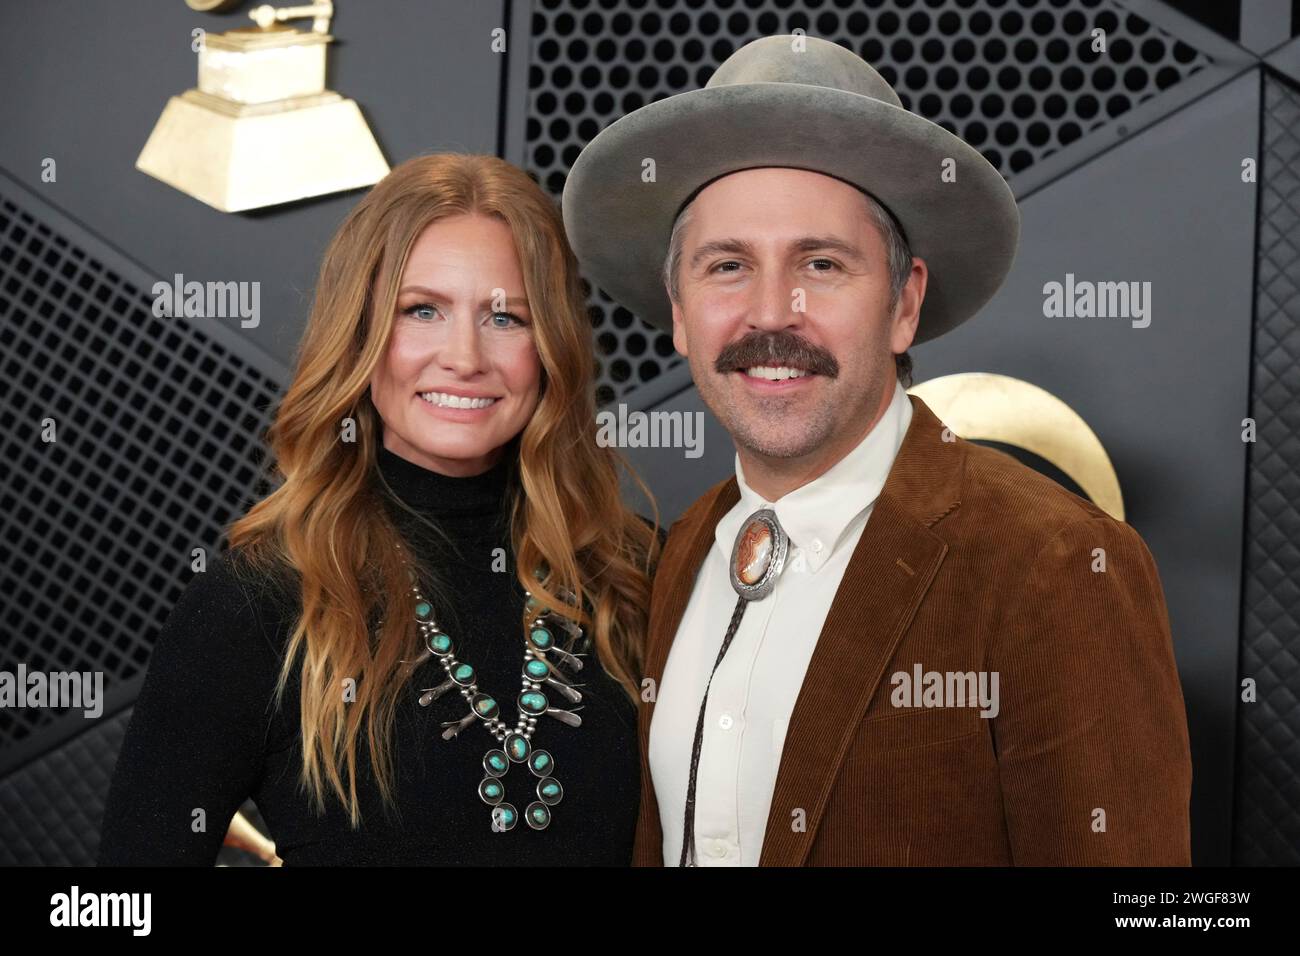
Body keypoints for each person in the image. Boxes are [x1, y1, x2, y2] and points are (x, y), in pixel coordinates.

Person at [561, 35, 1192, 866]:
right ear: (679, 311)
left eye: (821, 264)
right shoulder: (683, 551)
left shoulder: (1056, 562)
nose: (771, 313)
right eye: (727, 266)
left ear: (904, 304)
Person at [98, 153, 661, 866]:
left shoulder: (639, 575)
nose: (464, 356)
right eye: (422, 310)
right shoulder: (254, 608)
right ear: (361, 333)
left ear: (551, 344)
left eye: (505, 317)